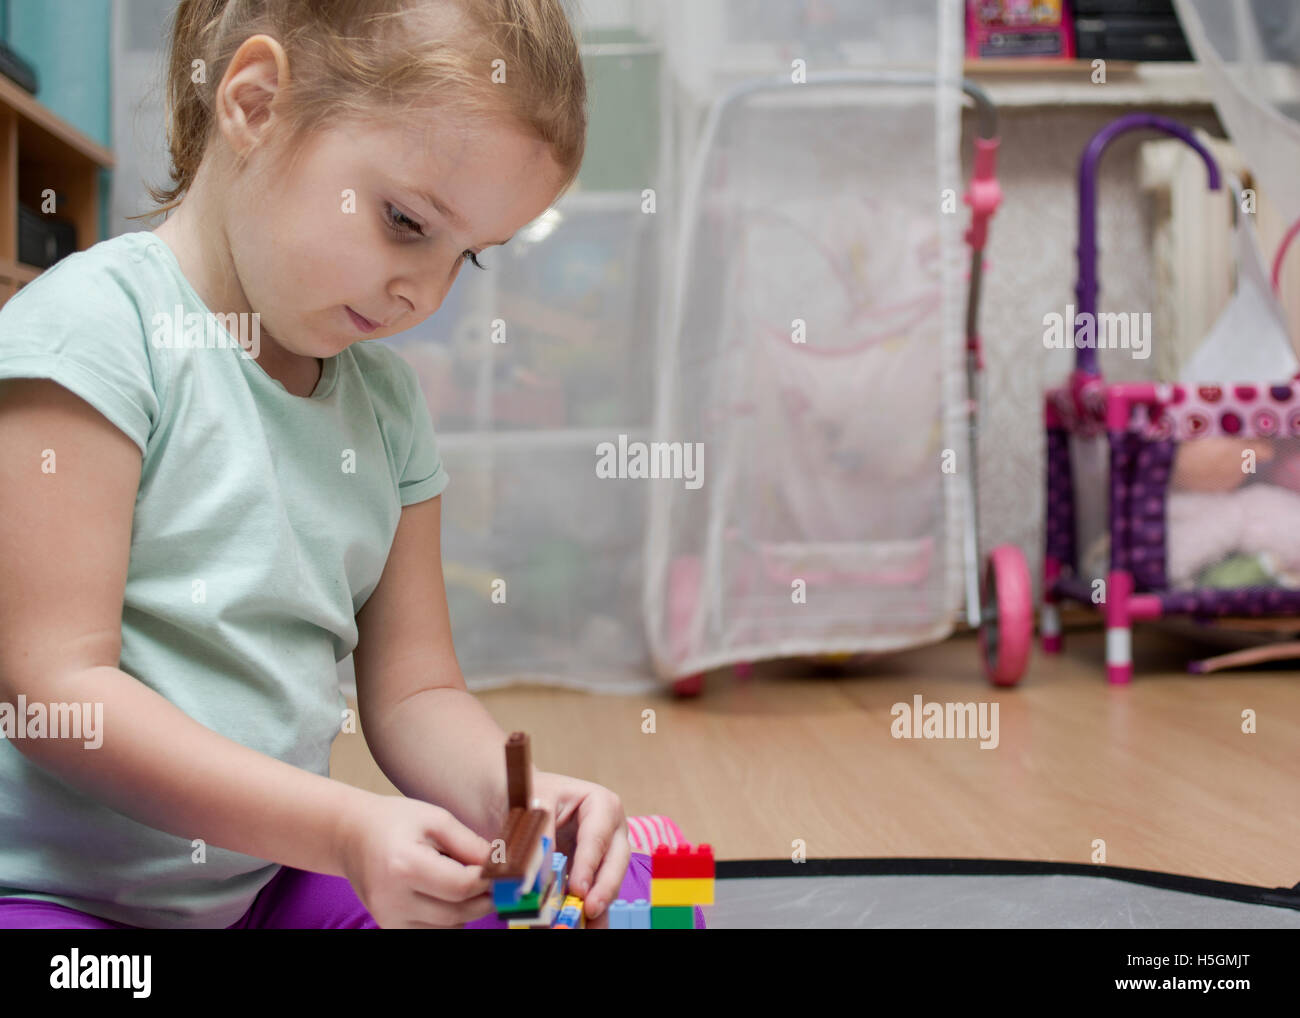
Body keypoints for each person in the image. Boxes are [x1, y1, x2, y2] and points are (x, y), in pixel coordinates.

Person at [0, 0, 647, 930]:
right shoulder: (92, 335)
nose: (422, 290)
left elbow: (418, 694)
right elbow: (55, 693)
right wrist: (344, 828)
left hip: (260, 886)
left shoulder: (386, 409)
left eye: (467, 258)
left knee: (613, 907)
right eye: (404, 221)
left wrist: (524, 802)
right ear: (256, 104)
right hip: (52, 902)